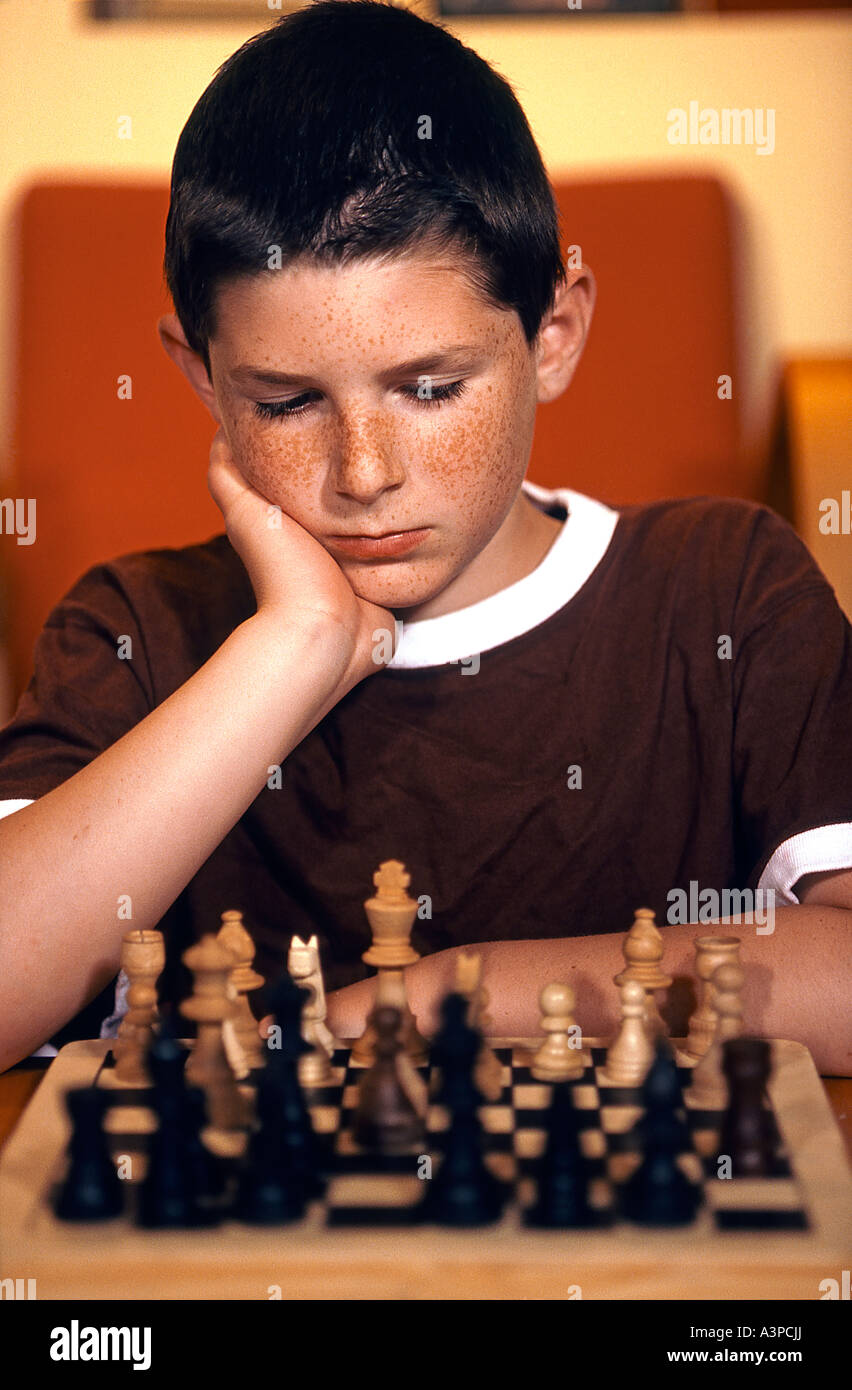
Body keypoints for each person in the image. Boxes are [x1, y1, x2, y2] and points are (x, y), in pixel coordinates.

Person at [0, 2, 849, 1075]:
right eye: (284, 403)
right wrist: (293, 645)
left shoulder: (724, 591)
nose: (365, 473)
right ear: (198, 373)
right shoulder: (135, 630)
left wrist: (466, 984)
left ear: (555, 333)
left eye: (433, 387)